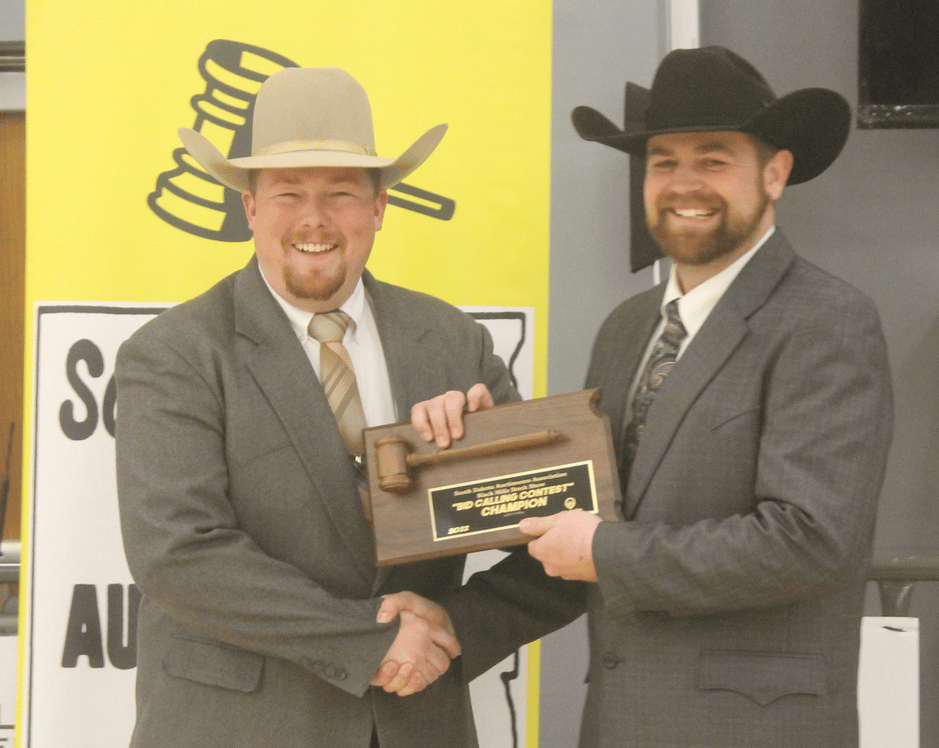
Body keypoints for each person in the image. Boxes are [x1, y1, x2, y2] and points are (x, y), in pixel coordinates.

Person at [410, 47, 894, 748]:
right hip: (620, 724)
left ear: (776, 173)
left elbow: (809, 542)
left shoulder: (826, 321)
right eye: (664, 160)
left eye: (714, 157)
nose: (684, 182)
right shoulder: (628, 328)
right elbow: (588, 521)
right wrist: (481, 461)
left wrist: (606, 552)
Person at [114, 67, 576, 748]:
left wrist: (486, 474)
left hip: (418, 724)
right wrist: (373, 641)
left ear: (380, 207)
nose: (314, 219)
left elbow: (562, 533)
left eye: (341, 193)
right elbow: (178, 552)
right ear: (248, 208)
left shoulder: (454, 344)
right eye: (288, 193)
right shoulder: (175, 353)